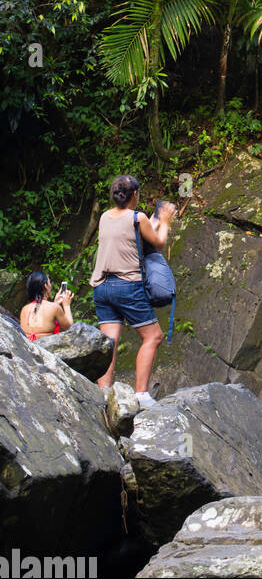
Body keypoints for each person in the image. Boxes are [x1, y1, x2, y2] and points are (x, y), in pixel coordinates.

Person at [90, 175, 176, 408]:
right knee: (153, 336)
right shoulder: (138, 217)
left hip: (101, 286)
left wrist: (153, 221)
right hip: (127, 286)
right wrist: (165, 221)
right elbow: (157, 242)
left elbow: (129, 232)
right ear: (135, 195)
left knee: (110, 342)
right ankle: (141, 394)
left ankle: (104, 394)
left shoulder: (105, 217)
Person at [20, 272, 73, 341]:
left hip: (27, 347)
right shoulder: (54, 308)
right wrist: (66, 305)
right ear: (46, 286)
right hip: (44, 348)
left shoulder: (24, 309)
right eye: (49, 282)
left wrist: (55, 303)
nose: (50, 285)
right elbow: (70, 328)